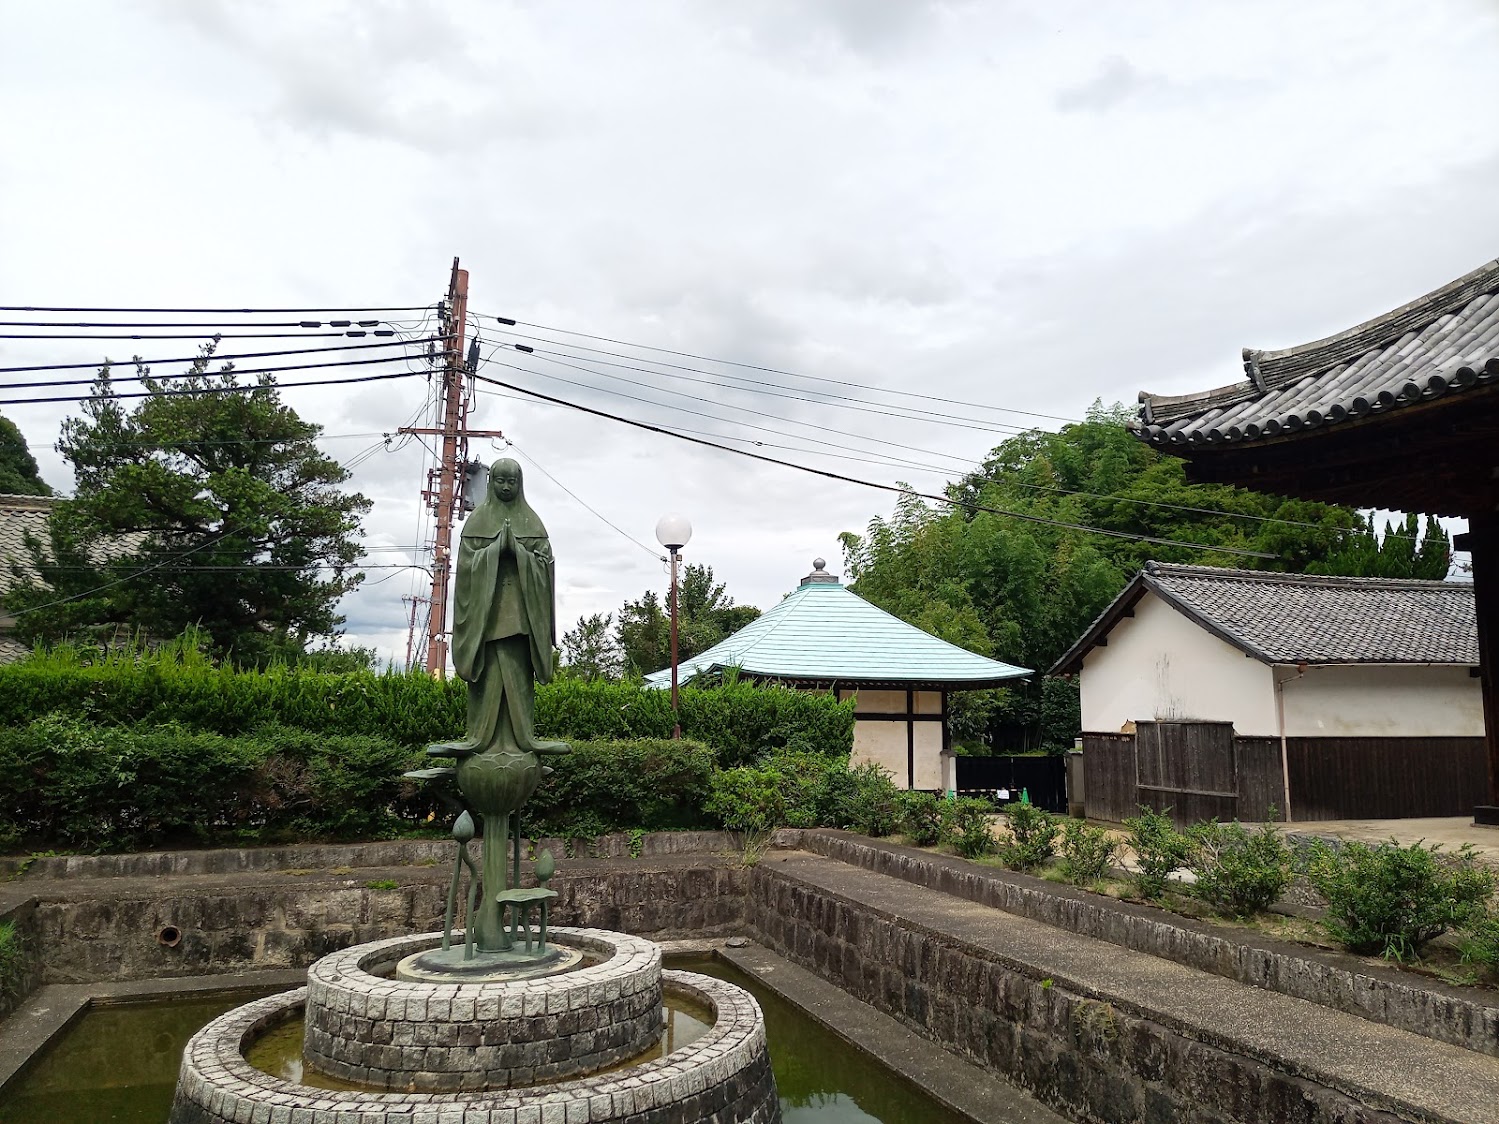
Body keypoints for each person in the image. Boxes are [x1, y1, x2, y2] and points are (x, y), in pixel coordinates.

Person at [432, 458, 570, 764]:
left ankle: (524, 738)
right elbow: (466, 568)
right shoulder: (477, 522)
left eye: (512, 481)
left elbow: (545, 567)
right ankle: (479, 738)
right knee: (488, 678)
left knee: (519, 677)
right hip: (487, 621)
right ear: (491, 482)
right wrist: (496, 550)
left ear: (520, 485)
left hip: (522, 619)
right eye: (500, 481)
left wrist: (517, 551)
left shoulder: (531, 523)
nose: (506, 487)